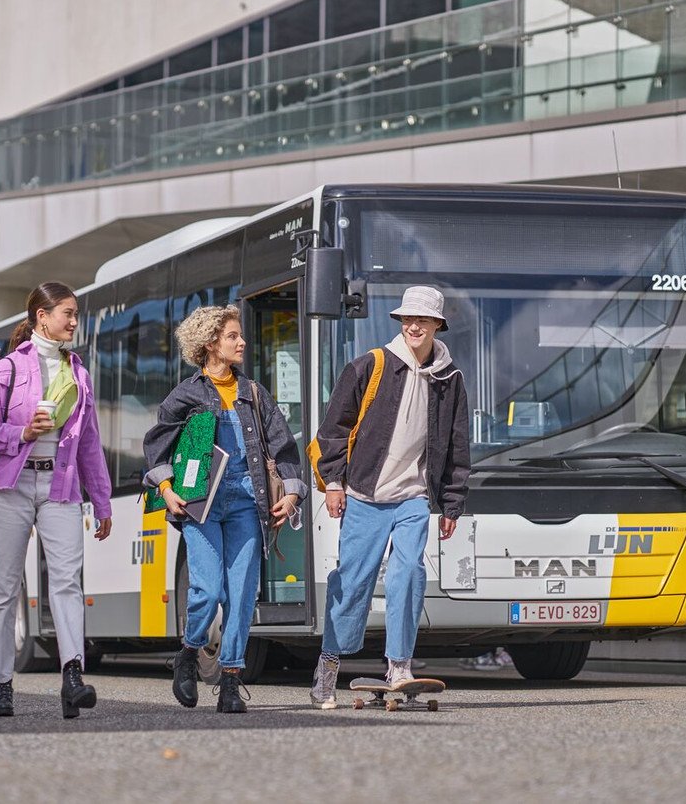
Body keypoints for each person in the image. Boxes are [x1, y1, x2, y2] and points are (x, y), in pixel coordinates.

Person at [309, 286, 470, 708]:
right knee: (353, 583)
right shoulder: (371, 366)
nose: (414, 326)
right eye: (407, 319)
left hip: (414, 497)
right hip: (364, 494)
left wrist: (451, 503)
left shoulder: (449, 379)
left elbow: (457, 444)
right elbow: (334, 428)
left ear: (438, 324)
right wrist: (334, 482)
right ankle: (328, 666)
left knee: (408, 574)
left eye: (423, 320)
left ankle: (399, 666)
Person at [144, 305, 304, 714]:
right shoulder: (187, 394)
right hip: (201, 504)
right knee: (207, 588)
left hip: (248, 503)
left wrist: (291, 493)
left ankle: (230, 681)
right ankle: (189, 652)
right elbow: (156, 444)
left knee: (242, 595)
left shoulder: (254, 393)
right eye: (233, 335)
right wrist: (166, 487)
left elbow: (284, 447)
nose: (242, 342)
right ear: (211, 342)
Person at [0, 281, 113, 719]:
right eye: (66, 313)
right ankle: (1, 683)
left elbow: (89, 443)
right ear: (41, 317)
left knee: (67, 581)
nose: (73, 320)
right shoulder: (4, 371)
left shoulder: (79, 375)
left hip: (61, 487)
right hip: (11, 487)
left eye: (75, 313)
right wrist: (21, 434)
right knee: (4, 589)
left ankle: (72, 675)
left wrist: (101, 502)